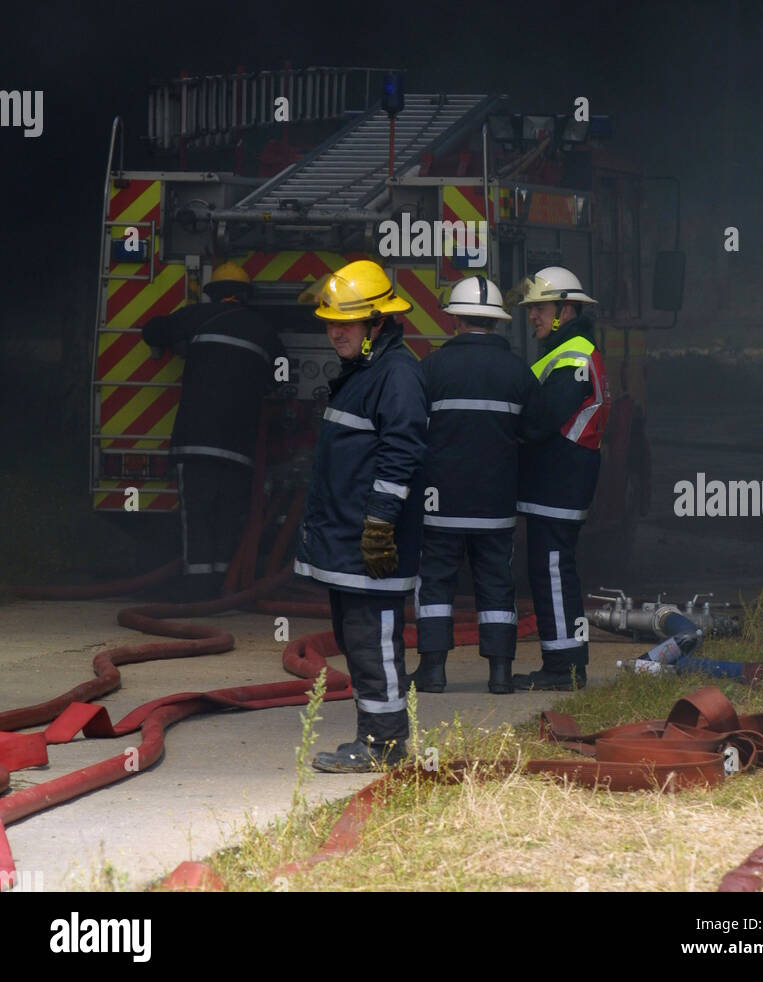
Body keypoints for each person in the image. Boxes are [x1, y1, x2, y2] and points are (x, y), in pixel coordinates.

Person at [292, 260, 428, 773]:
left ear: (377, 324)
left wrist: (379, 525)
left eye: (345, 323)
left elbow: (401, 456)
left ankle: (385, 747)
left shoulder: (397, 376)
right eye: (330, 322)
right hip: (349, 542)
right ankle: (373, 740)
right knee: (359, 642)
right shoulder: (367, 374)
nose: (335, 332)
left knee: (374, 644)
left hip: (371, 542)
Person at [410, 275, 547, 695]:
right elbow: (538, 429)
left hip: (441, 499)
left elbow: (411, 429)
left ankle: (433, 670)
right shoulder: (518, 371)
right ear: (498, 323)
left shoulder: (430, 368)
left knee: (434, 580)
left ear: (454, 320)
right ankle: (501, 674)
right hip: (495, 500)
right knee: (496, 582)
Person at [141, 262, 283, 600]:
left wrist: (178, 343)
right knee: (228, 513)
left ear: (212, 292)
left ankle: (197, 586)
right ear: (246, 296)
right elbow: (282, 370)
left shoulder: (197, 317)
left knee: (197, 512)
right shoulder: (263, 330)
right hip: (239, 446)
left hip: (197, 440)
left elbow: (152, 331)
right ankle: (223, 582)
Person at [513, 267, 611, 691]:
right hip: (557, 484)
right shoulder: (567, 350)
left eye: (539, 308)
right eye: (531, 308)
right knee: (553, 569)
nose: (532, 316)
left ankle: (563, 669)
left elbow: (540, 420)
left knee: (552, 571)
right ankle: (565, 662)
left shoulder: (572, 355)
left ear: (565, 310)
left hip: (559, 483)